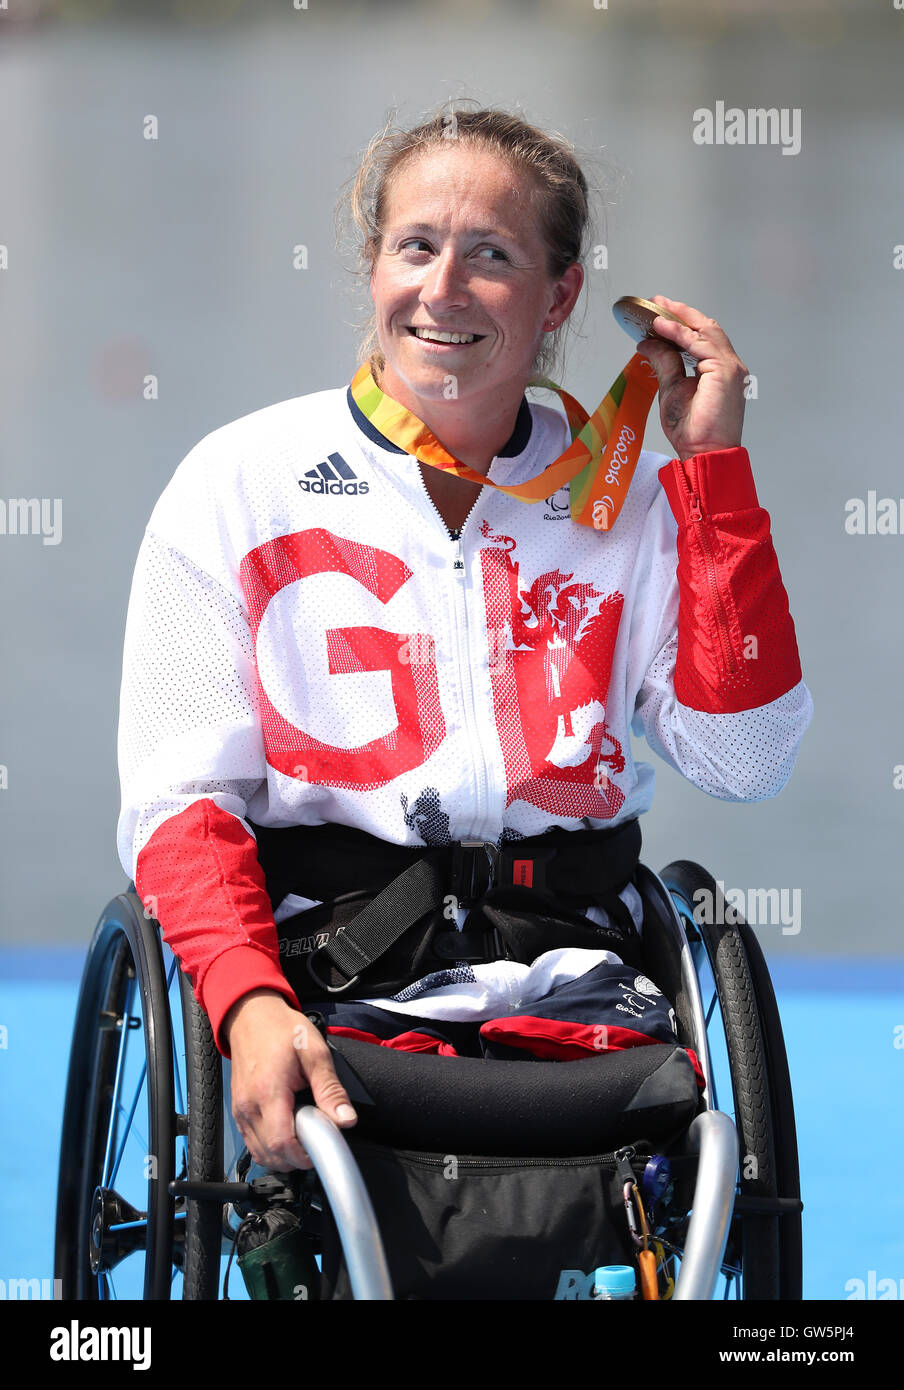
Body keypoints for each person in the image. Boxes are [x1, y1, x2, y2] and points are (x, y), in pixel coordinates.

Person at [116, 103, 813, 1175]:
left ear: (560, 296)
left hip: (582, 972)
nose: (442, 290)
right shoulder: (239, 482)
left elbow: (747, 762)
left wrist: (712, 477)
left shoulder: (632, 502)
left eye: (490, 255)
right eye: (416, 246)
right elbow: (181, 802)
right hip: (330, 969)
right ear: (372, 267)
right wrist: (247, 1001)